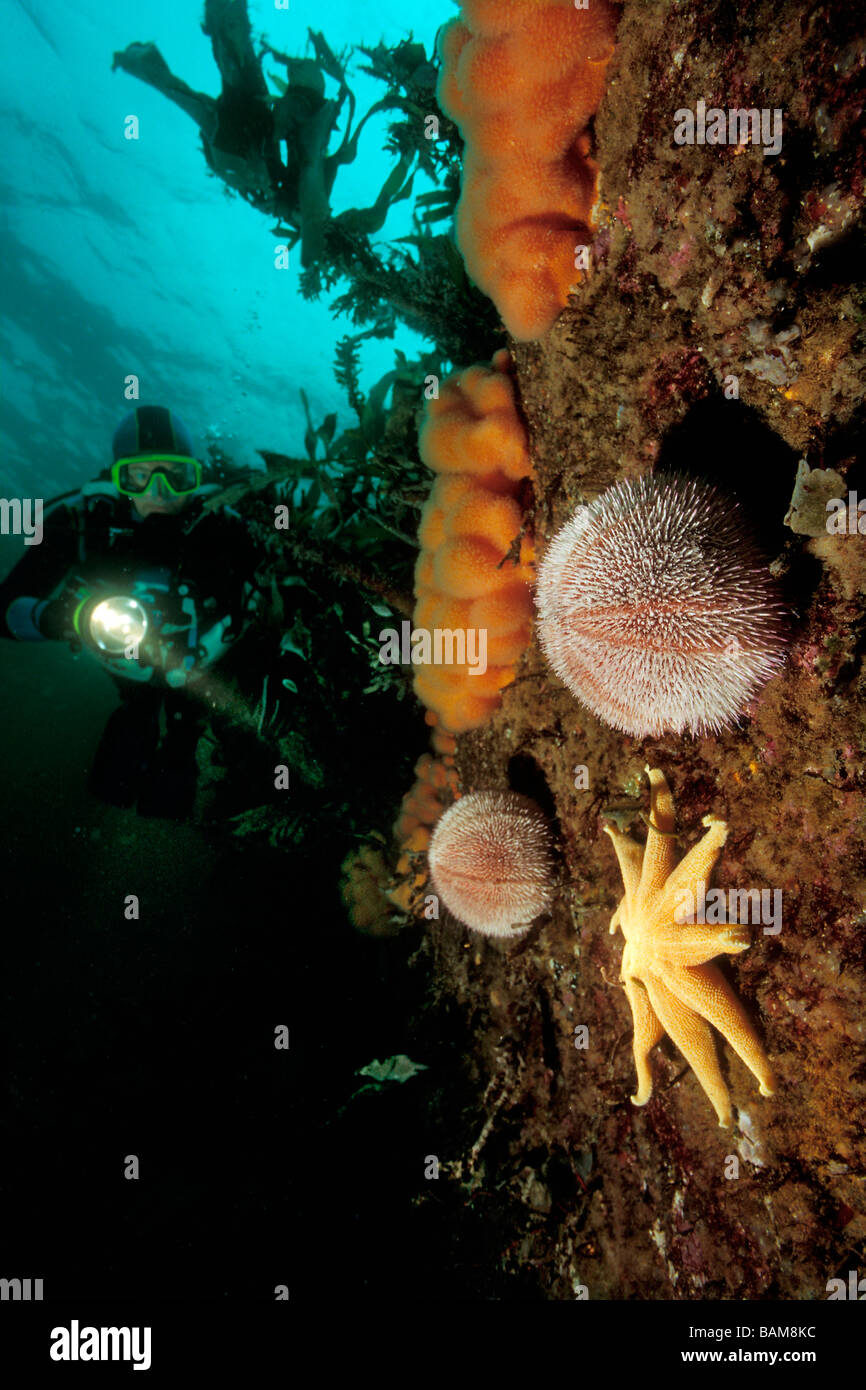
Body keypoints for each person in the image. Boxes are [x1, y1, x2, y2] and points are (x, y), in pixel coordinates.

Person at [0, 405, 261, 819]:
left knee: (185, 726)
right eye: (140, 475)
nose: (160, 491)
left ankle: (181, 745)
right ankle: (140, 735)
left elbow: (269, 593)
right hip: (124, 666)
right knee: (135, 716)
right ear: (117, 477)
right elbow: (5, 610)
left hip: (201, 664)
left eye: (177, 475)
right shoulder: (82, 520)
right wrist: (70, 618)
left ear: (196, 477)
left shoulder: (223, 523)